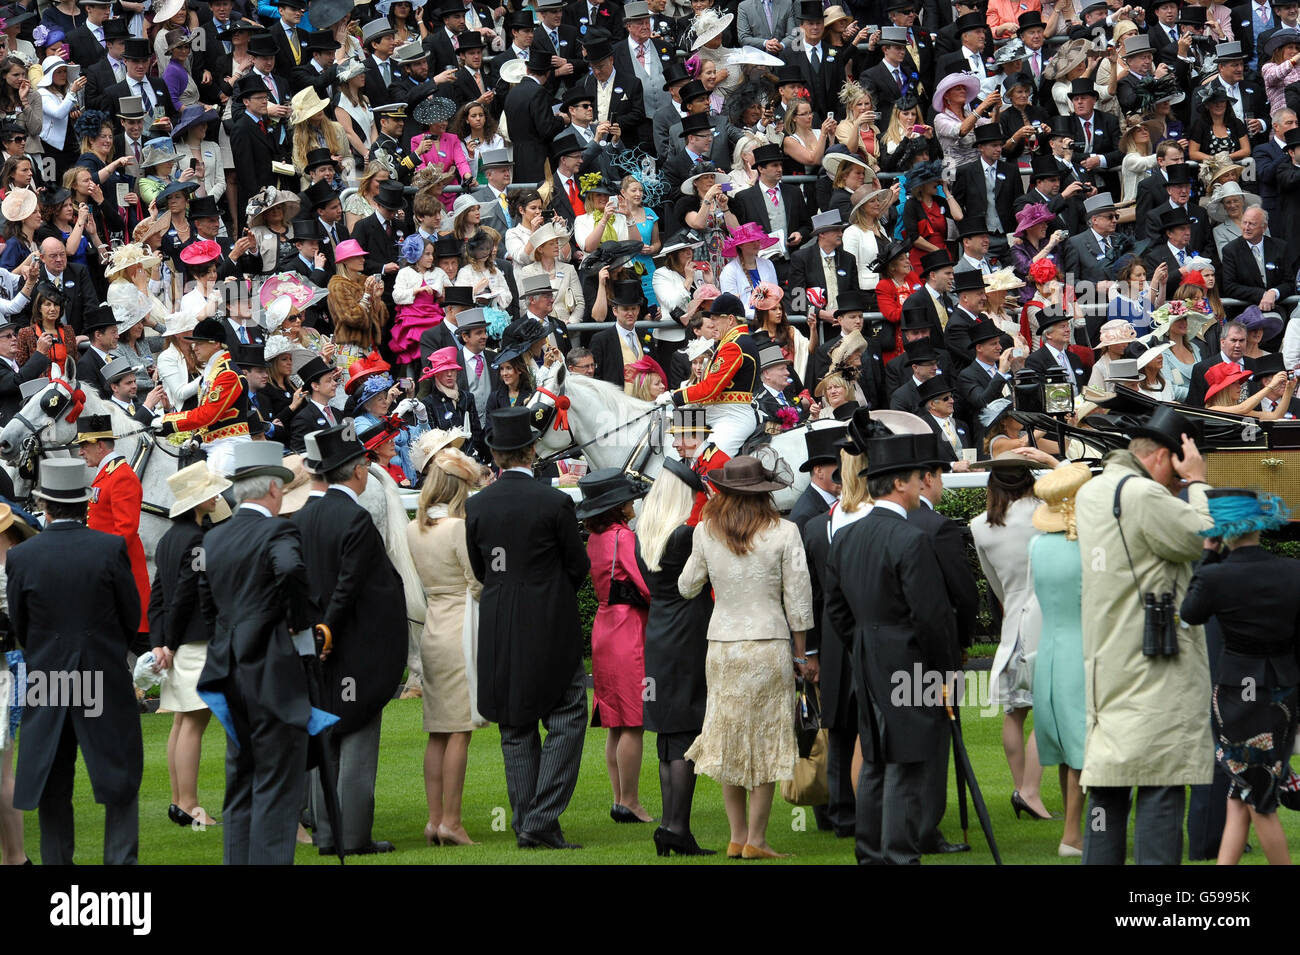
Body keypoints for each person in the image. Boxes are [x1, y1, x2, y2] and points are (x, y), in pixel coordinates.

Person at [1074, 406, 1214, 865]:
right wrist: (1196, 483)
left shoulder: (1093, 490)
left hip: (1108, 662)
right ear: (1162, 460)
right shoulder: (1141, 494)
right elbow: (1204, 537)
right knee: (1161, 784)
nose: (1175, 489)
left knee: (1107, 793)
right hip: (1155, 667)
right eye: (1174, 477)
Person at [823, 433, 960, 865]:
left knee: (877, 758)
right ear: (901, 484)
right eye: (920, 477)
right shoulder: (910, 538)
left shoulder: (846, 538)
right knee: (904, 760)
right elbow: (930, 616)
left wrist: (863, 643)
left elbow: (836, 609)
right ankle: (900, 855)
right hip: (908, 659)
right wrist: (947, 673)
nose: (924, 485)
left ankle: (872, 855)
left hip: (866, 654)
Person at [465, 406, 590, 849]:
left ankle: (530, 822)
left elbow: (483, 570)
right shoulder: (554, 501)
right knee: (568, 713)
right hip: (550, 622)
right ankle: (538, 820)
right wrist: (549, 593)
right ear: (532, 450)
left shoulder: (477, 504)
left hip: (501, 622)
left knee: (515, 726)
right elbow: (578, 566)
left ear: (497, 457)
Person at [7, 460, 142, 865]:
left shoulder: (23, 556)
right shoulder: (108, 548)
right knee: (118, 776)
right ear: (84, 506)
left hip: (50, 675)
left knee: (52, 780)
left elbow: (21, 622)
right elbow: (129, 615)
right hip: (100, 672)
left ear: (44, 506)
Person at [679, 455, 812, 859]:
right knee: (767, 738)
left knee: (728, 738)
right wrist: (801, 654)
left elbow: (686, 586)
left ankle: (737, 836)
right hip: (769, 643)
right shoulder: (785, 532)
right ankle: (756, 839)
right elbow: (800, 600)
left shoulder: (705, 531)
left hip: (722, 646)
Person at [197, 441, 319, 865]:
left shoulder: (215, 537)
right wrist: (297, 621)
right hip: (271, 667)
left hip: (228, 668)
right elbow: (289, 570)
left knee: (242, 778)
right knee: (276, 780)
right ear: (271, 490)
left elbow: (205, 598)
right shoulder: (277, 530)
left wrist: (228, 629)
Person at [291, 421, 407, 857]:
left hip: (315, 651)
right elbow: (352, 585)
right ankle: (353, 836)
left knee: (326, 741)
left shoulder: (301, 518)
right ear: (357, 470)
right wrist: (331, 627)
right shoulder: (355, 518)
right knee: (357, 741)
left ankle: (326, 833)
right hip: (354, 649)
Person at [1180, 488, 1300, 866]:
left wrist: (1207, 554)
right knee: (1241, 791)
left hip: (1236, 695)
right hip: (1282, 691)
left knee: (1258, 798)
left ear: (1222, 529)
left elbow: (1190, 613)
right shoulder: (1292, 570)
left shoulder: (1216, 576)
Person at [407, 431, 484, 846]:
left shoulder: (413, 528)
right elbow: (476, 583)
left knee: (438, 729)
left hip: (434, 627)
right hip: (458, 628)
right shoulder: (456, 528)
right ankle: (450, 821)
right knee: (458, 729)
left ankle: (435, 818)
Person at [635, 457, 714, 856]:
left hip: (660, 631)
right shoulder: (687, 536)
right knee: (685, 730)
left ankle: (672, 826)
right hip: (688, 632)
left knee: (669, 733)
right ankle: (677, 827)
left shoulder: (643, 533)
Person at [971, 453, 1053, 821]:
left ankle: (1022, 788)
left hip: (1013, 623)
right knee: (1049, 713)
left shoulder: (979, 526)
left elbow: (996, 586)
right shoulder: (1045, 510)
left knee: (1014, 713)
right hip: (1048, 619)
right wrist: (1051, 461)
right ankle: (1030, 791)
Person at [149, 462, 231, 830]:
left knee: (182, 721)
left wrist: (160, 643)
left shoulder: (169, 538)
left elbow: (158, 597)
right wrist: (168, 642)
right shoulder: (196, 539)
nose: (217, 496)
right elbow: (183, 594)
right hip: (193, 640)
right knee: (193, 722)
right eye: (210, 492)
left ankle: (179, 801)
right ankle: (190, 804)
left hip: (178, 642)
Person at [577, 469, 655, 824]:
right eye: (628, 500)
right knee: (632, 721)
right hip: (627, 627)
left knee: (613, 721)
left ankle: (619, 798)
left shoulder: (595, 539)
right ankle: (630, 801)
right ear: (617, 507)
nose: (633, 503)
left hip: (604, 626)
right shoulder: (623, 538)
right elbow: (645, 584)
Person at [1029, 462, 1093, 857]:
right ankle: (1073, 832)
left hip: (1050, 649)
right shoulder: (1087, 548)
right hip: (1081, 649)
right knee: (1083, 746)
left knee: (1064, 746)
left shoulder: (1036, 545)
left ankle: (1074, 829)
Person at [657, 293, 761, 466]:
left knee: (707, 464)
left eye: (715, 319)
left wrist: (675, 396)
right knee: (675, 442)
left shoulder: (734, 345)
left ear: (730, 320)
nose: (712, 325)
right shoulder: (729, 342)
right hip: (713, 411)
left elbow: (710, 389)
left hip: (732, 417)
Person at [77, 412, 150, 650]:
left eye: (84, 446)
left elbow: (125, 530)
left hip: (121, 571)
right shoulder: (110, 473)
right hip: (112, 570)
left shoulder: (120, 476)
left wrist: (100, 562)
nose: (80, 452)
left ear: (99, 445)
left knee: (139, 644)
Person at [154, 317, 253, 476]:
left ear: (215, 343)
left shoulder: (227, 374)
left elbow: (208, 415)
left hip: (229, 444)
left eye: (199, 343)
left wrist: (167, 421)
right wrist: (198, 438)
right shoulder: (212, 371)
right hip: (212, 443)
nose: (194, 348)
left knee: (213, 490)